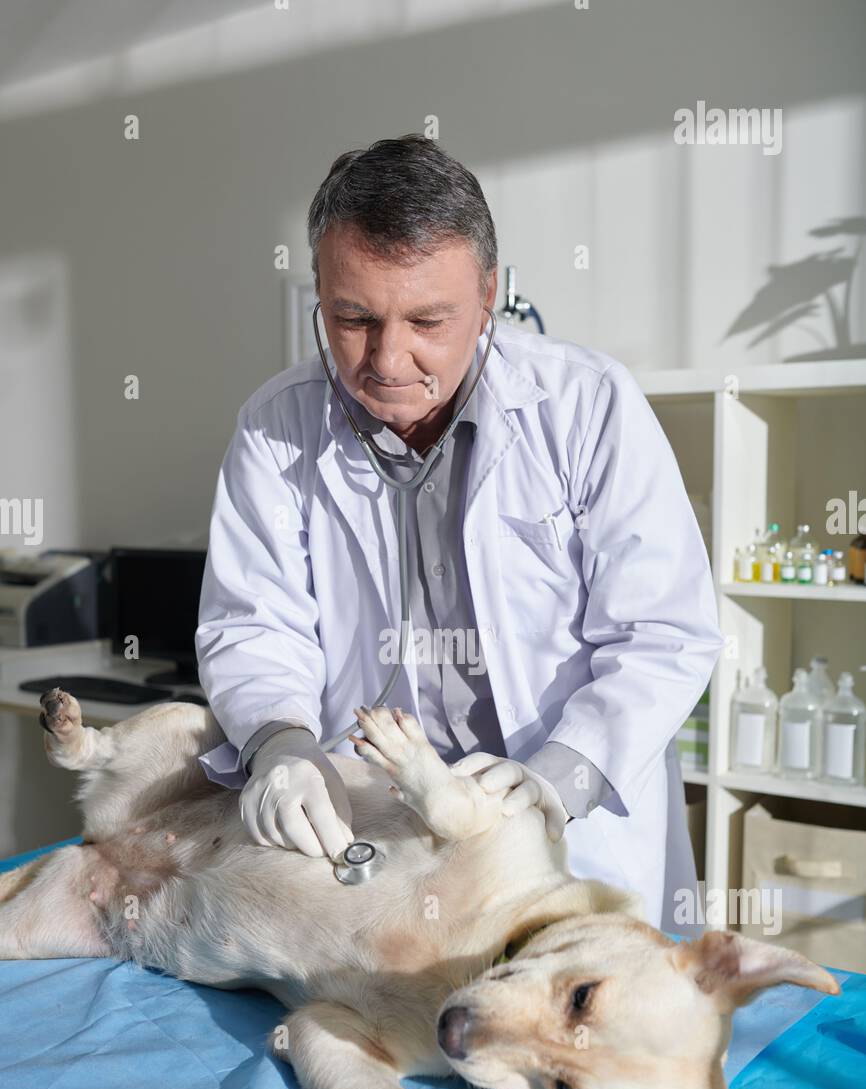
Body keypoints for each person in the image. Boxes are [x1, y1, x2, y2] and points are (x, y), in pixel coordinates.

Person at [195, 134, 725, 929]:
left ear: (489, 295)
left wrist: (562, 774)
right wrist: (279, 746)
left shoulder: (587, 406)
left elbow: (664, 632)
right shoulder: (276, 428)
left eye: (428, 320)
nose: (388, 358)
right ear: (318, 292)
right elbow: (253, 623)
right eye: (353, 318)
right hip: (381, 830)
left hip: (567, 827)